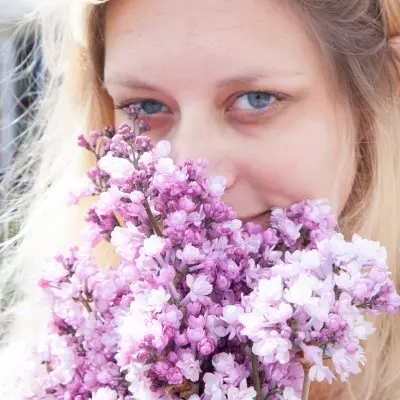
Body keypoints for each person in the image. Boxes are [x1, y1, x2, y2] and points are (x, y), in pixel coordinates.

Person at [0, 0, 399, 399]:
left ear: (375, 94)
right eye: (147, 107)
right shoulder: (42, 375)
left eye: (256, 99)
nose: (197, 178)